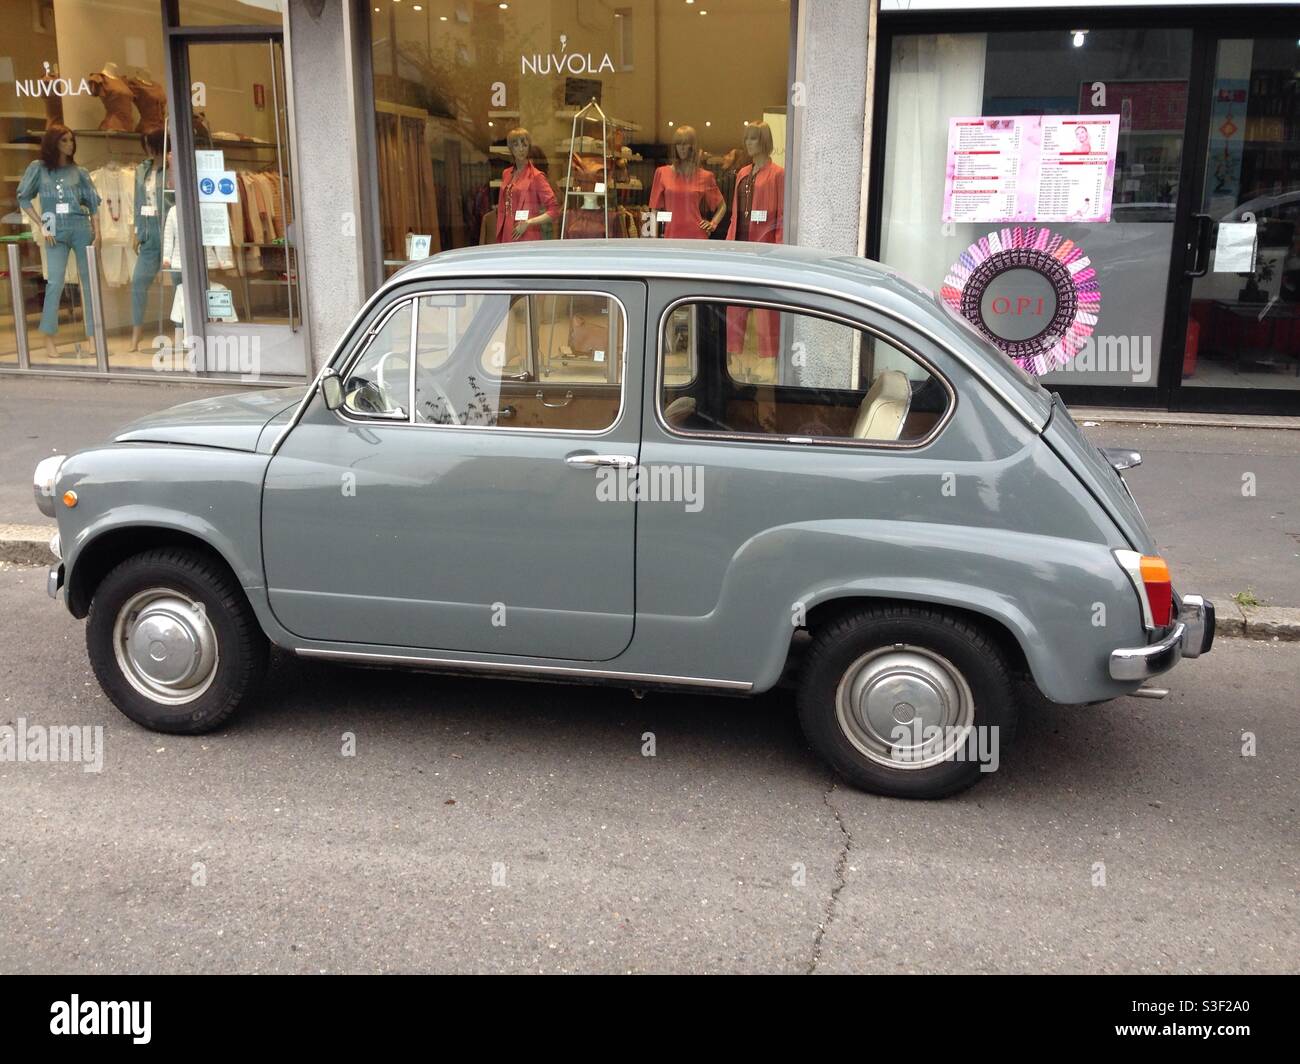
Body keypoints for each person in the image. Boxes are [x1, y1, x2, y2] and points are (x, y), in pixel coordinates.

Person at [17, 123, 102, 359]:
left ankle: (93, 337)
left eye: (71, 140)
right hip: (53, 226)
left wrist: (99, 232)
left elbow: (93, 203)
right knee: (55, 283)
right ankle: (48, 339)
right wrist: (41, 224)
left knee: (89, 283)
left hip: (80, 226)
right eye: (64, 140)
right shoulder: (39, 169)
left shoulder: (80, 172)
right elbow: (23, 198)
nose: (69, 144)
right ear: (53, 142)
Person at [129, 128, 168, 351]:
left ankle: (185, 329)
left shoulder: (173, 167)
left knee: (180, 284)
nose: (149, 150)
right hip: (148, 231)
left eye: (151, 145)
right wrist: (136, 232)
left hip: (170, 228)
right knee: (138, 282)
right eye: (146, 146)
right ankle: (137, 331)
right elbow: (137, 202)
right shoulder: (142, 169)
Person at [495, 128, 559, 243]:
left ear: (529, 147)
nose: (521, 149)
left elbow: (554, 210)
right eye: (516, 145)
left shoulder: (537, 176)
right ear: (511, 148)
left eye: (524, 145)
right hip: (507, 231)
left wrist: (529, 222)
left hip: (526, 234)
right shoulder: (506, 173)